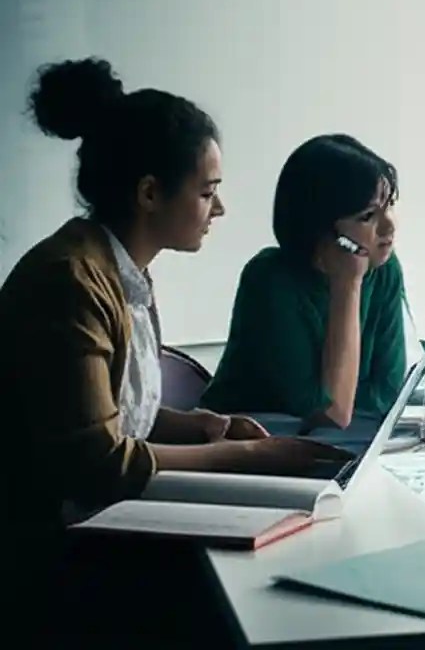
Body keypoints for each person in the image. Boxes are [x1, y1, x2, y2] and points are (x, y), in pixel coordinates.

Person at [4, 58, 348, 640]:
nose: (220, 209)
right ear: (149, 193)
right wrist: (247, 457)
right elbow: (100, 462)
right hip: (49, 551)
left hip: (96, 523)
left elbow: (111, 412)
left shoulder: (119, 270)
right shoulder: (72, 280)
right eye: (207, 192)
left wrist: (202, 427)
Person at [201, 135, 408, 443]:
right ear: (321, 227)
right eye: (367, 216)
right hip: (248, 444)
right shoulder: (270, 278)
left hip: (339, 440)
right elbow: (329, 412)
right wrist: (347, 285)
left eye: (389, 206)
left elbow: (388, 393)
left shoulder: (385, 270)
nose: (389, 226)